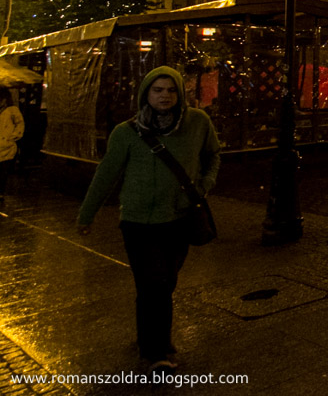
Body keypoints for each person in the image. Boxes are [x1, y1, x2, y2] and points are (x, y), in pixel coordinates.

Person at [77, 66, 221, 374]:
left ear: (180, 93)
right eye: (158, 90)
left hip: (179, 219)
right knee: (154, 283)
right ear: (146, 94)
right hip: (138, 222)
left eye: (171, 90)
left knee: (163, 283)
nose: (165, 96)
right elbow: (106, 174)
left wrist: (204, 184)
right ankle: (158, 352)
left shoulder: (197, 123)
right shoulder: (126, 132)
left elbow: (213, 155)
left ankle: (148, 337)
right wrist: (86, 214)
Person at [0, 90, 25, 206]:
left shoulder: (12, 110)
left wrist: (13, 136)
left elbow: (20, 124)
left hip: (7, 146)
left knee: (3, 171)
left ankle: (0, 192)